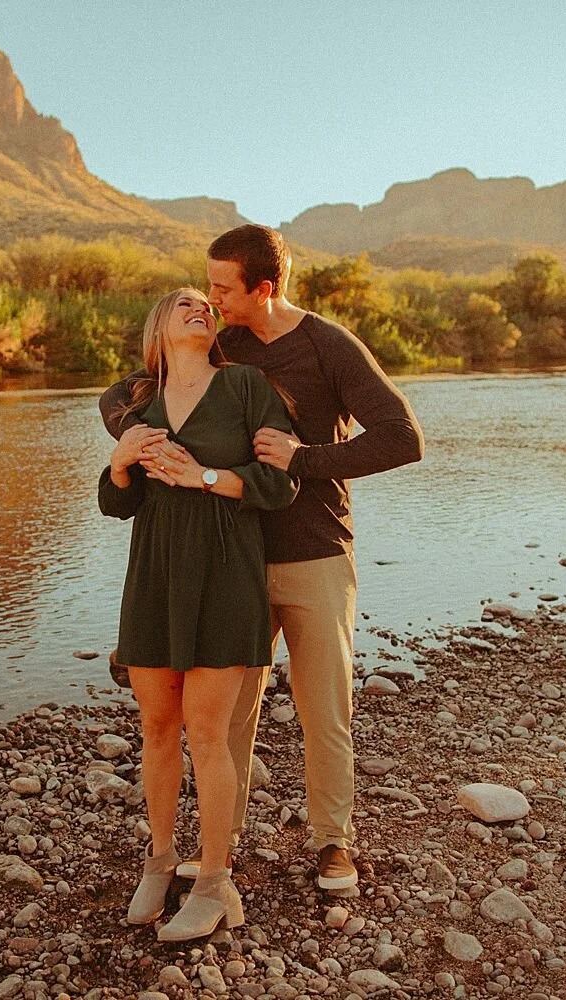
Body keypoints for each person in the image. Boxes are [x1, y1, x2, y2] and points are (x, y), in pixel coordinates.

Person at [101, 225, 424, 893]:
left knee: (322, 704)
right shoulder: (225, 346)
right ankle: (227, 841)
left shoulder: (327, 346)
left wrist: (308, 460)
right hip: (233, 556)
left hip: (312, 550)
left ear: (264, 288)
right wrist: (147, 447)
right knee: (228, 713)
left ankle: (333, 840)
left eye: (222, 288)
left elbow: (402, 437)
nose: (212, 300)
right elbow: (125, 395)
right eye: (207, 288)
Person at [99, 286, 298, 940]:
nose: (199, 308)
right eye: (183, 303)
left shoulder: (245, 388)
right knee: (157, 727)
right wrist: (121, 465)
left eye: (205, 305)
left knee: (207, 732)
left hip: (224, 573)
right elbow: (116, 504)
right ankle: (160, 860)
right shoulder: (140, 408)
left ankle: (215, 880)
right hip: (154, 577)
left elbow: (282, 483)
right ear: (157, 330)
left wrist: (203, 477)